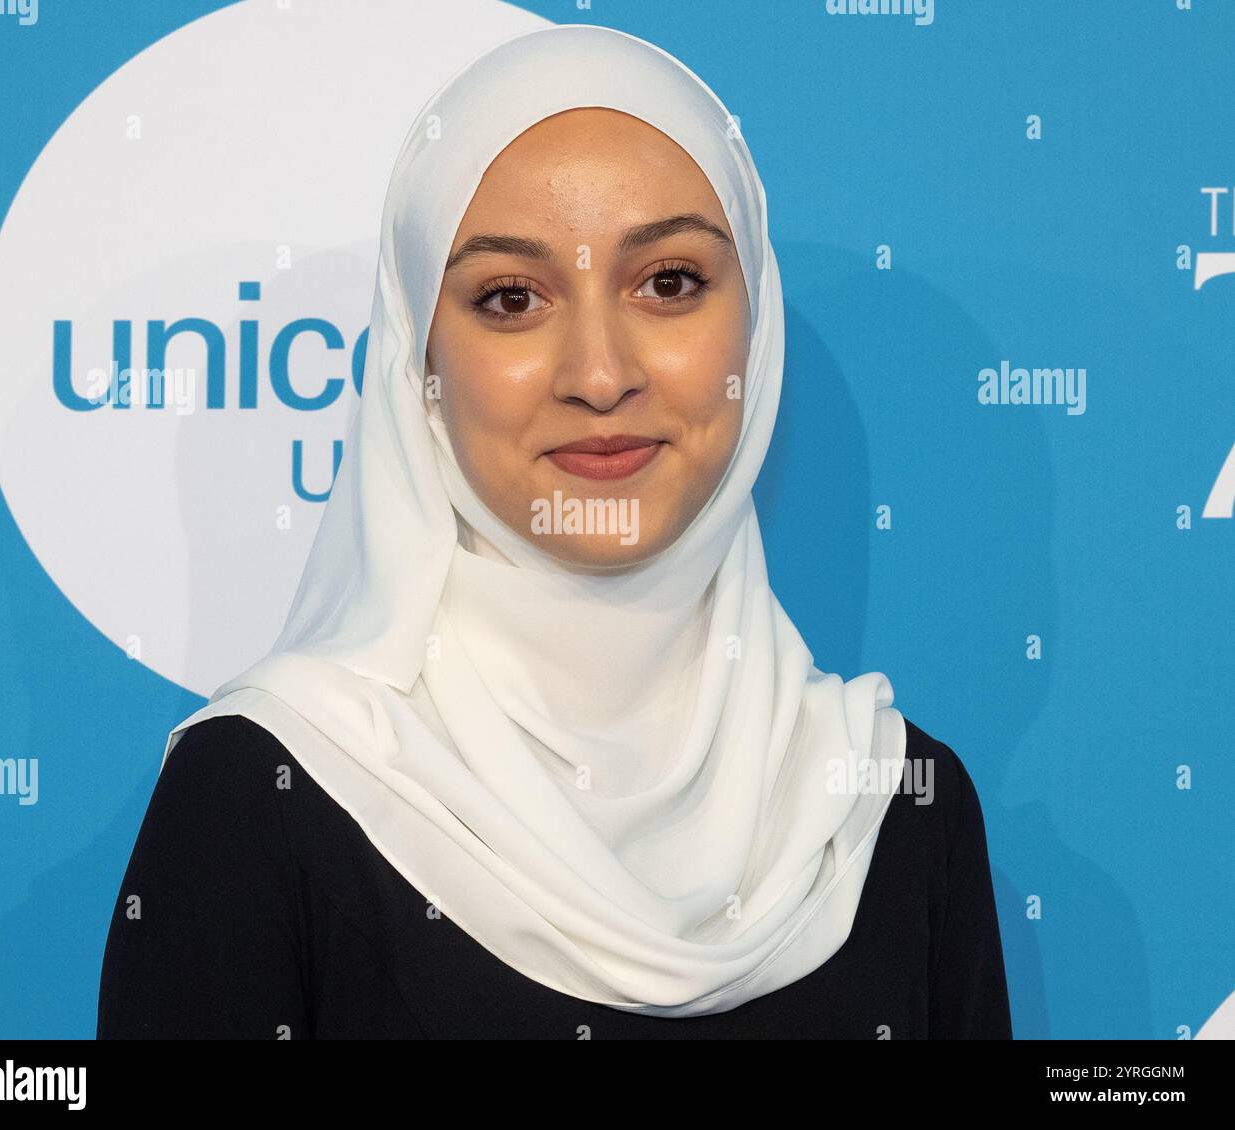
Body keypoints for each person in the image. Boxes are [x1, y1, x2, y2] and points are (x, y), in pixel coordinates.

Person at [97, 23, 1012, 1039]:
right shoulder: (265, 793)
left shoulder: (888, 801)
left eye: (668, 282)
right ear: (418, 361)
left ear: (755, 324)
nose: (599, 373)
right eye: (511, 297)